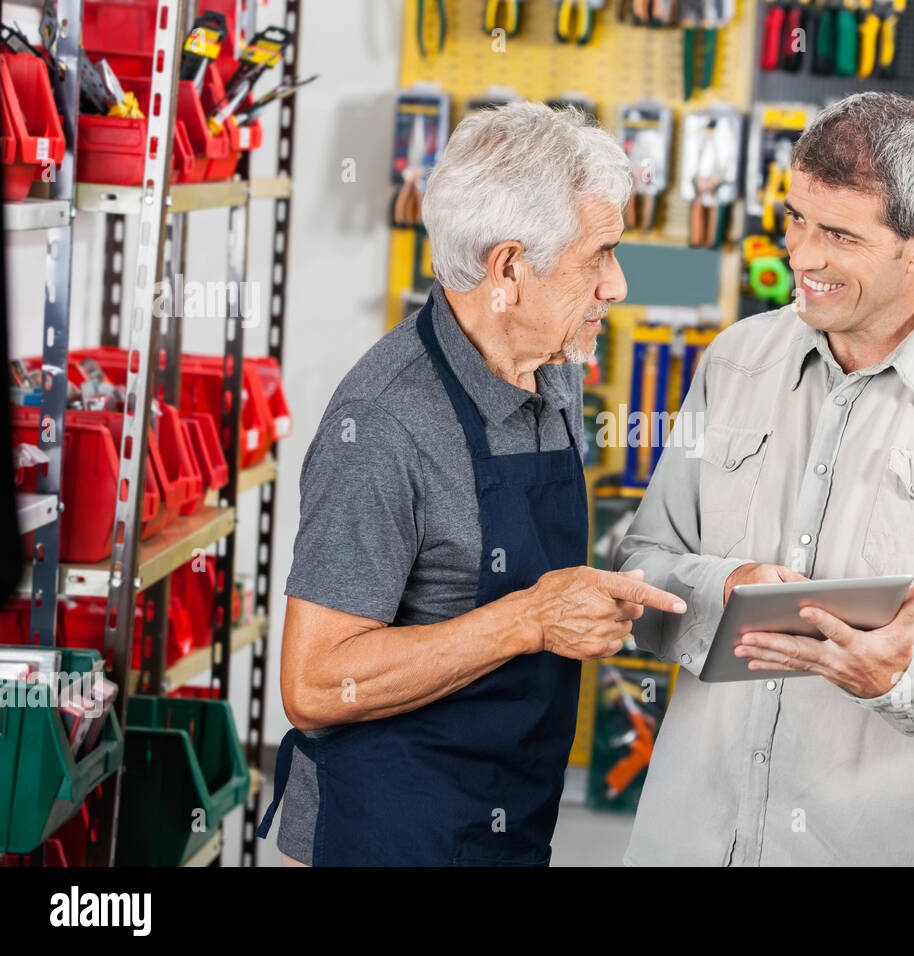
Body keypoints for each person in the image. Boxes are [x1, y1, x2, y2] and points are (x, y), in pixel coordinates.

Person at [616, 92, 914, 865]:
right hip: (694, 839)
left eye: (838, 234)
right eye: (796, 219)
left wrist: (903, 680)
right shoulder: (733, 361)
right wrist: (721, 590)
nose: (801, 256)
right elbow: (642, 568)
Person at [256, 102, 685, 866]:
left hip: (511, 822)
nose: (616, 285)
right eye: (600, 256)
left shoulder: (552, 368)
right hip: (386, 834)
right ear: (509, 269)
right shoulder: (384, 425)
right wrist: (527, 620)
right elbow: (315, 683)